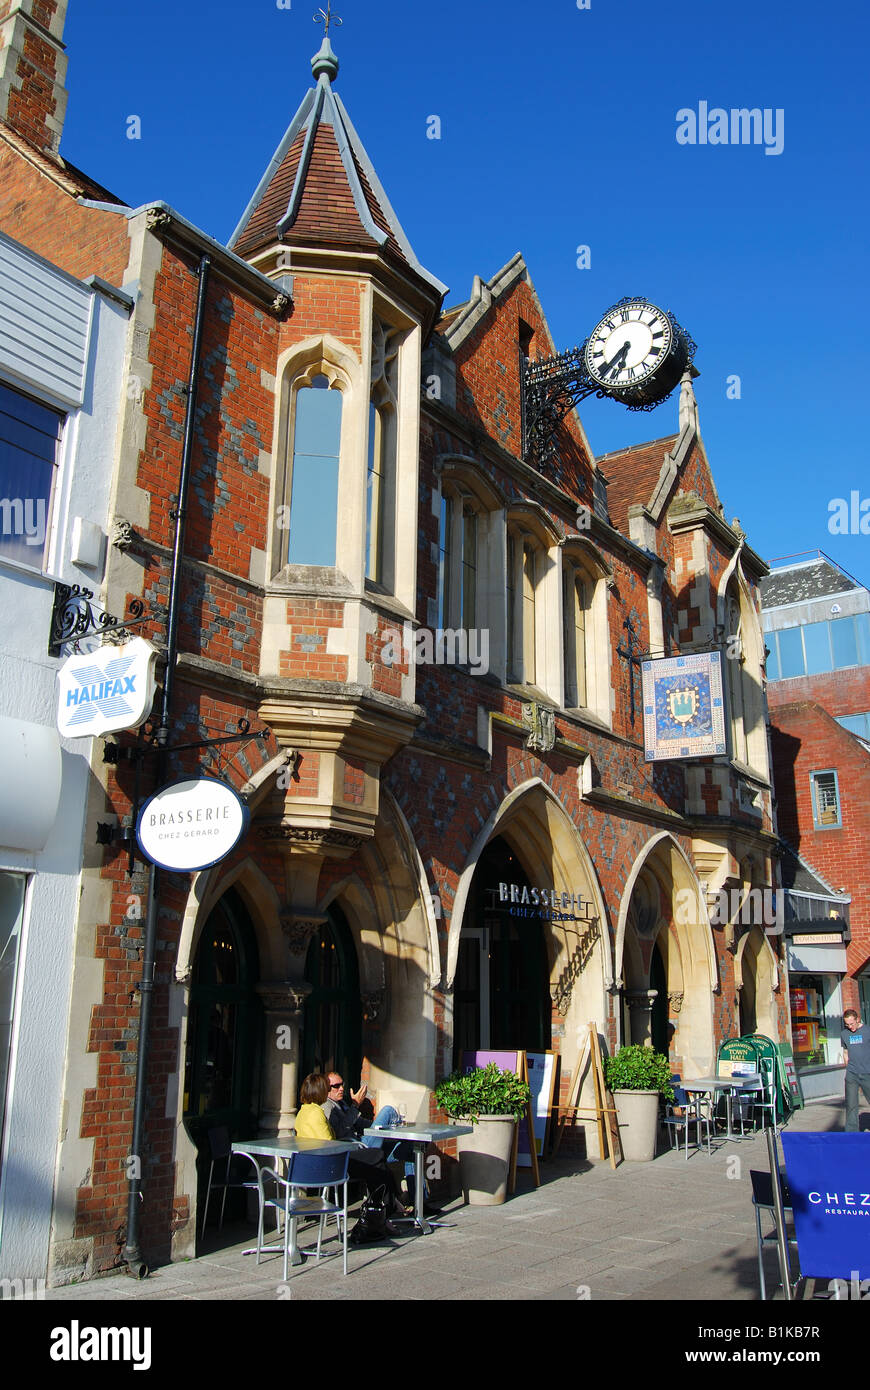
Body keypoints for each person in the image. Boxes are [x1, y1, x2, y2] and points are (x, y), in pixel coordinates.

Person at [295, 1071, 407, 1214]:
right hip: (332, 1164)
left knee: (383, 1159)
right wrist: (355, 1107)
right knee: (379, 1152)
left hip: (331, 1159)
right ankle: (384, 1210)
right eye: (331, 1087)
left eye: (342, 1085)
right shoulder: (320, 1111)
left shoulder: (303, 1112)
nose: (340, 1088)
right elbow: (330, 1144)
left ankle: (385, 1209)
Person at [840, 1009, 870, 1132]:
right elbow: (846, 1051)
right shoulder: (844, 1034)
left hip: (867, 1072)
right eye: (847, 1024)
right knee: (851, 1104)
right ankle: (851, 1133)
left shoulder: (867, 1031)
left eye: (852, 1024)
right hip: (852, 1073)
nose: (850, 1027)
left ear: (858, 1019)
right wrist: (846, 1062)